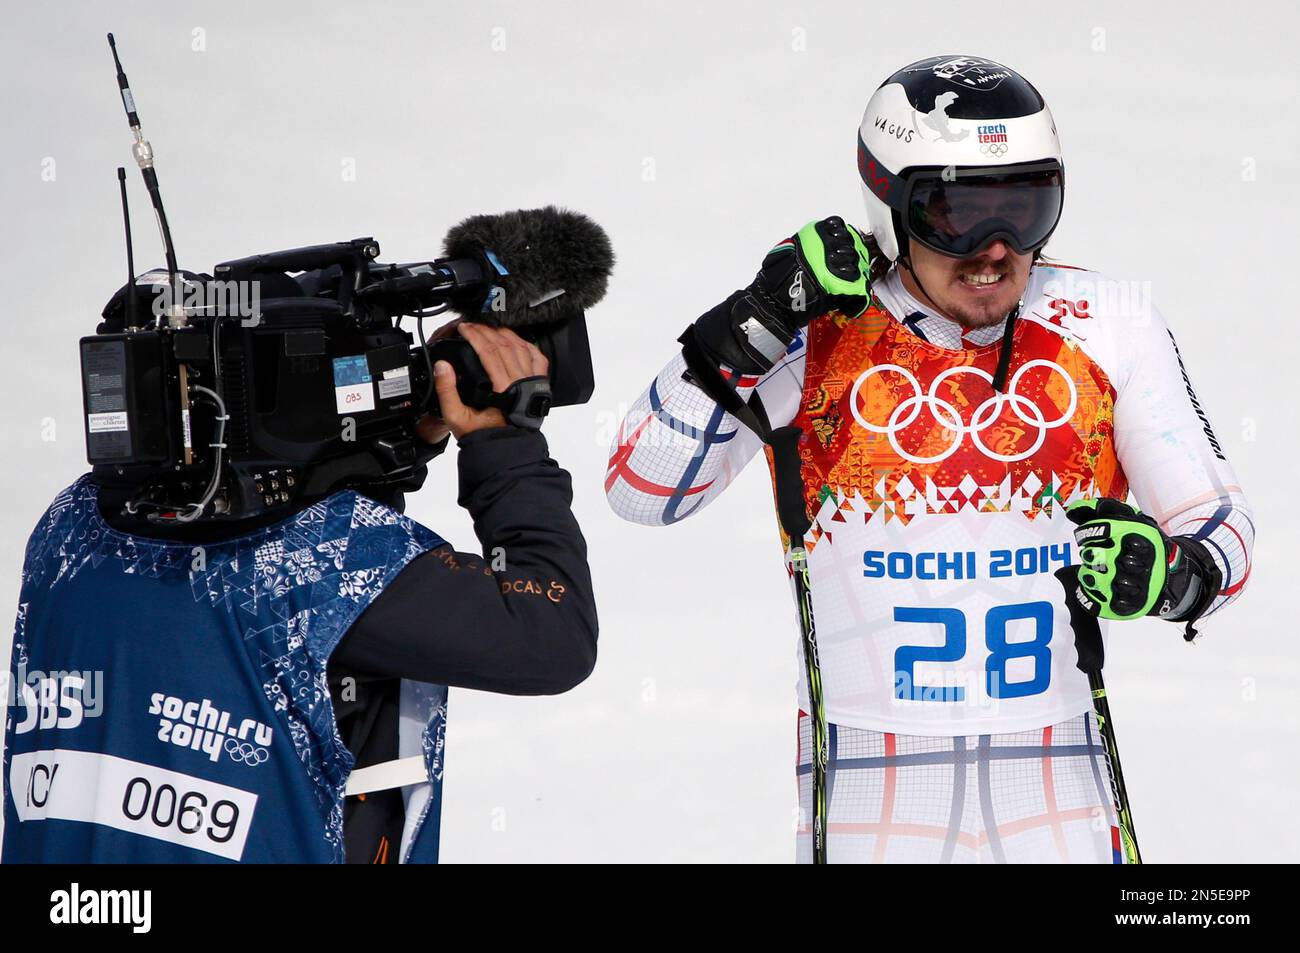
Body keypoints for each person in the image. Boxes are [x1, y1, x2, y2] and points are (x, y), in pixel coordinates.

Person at [605, 55, 1253, 863]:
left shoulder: (1108, 320)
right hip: (874, 773)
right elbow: (643, 487)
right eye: (954, 213)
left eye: (1026, 206)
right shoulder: (819, 328)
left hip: (1058, 767)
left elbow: (1223, 524)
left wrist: (1180, 575)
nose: (995, 248)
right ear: (889, 205)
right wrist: (752, 321)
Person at [4, 323, 598, 863]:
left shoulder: (74, 527)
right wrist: (504, 444)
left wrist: (390, 443)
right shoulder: (318, 562)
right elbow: (551, 632)